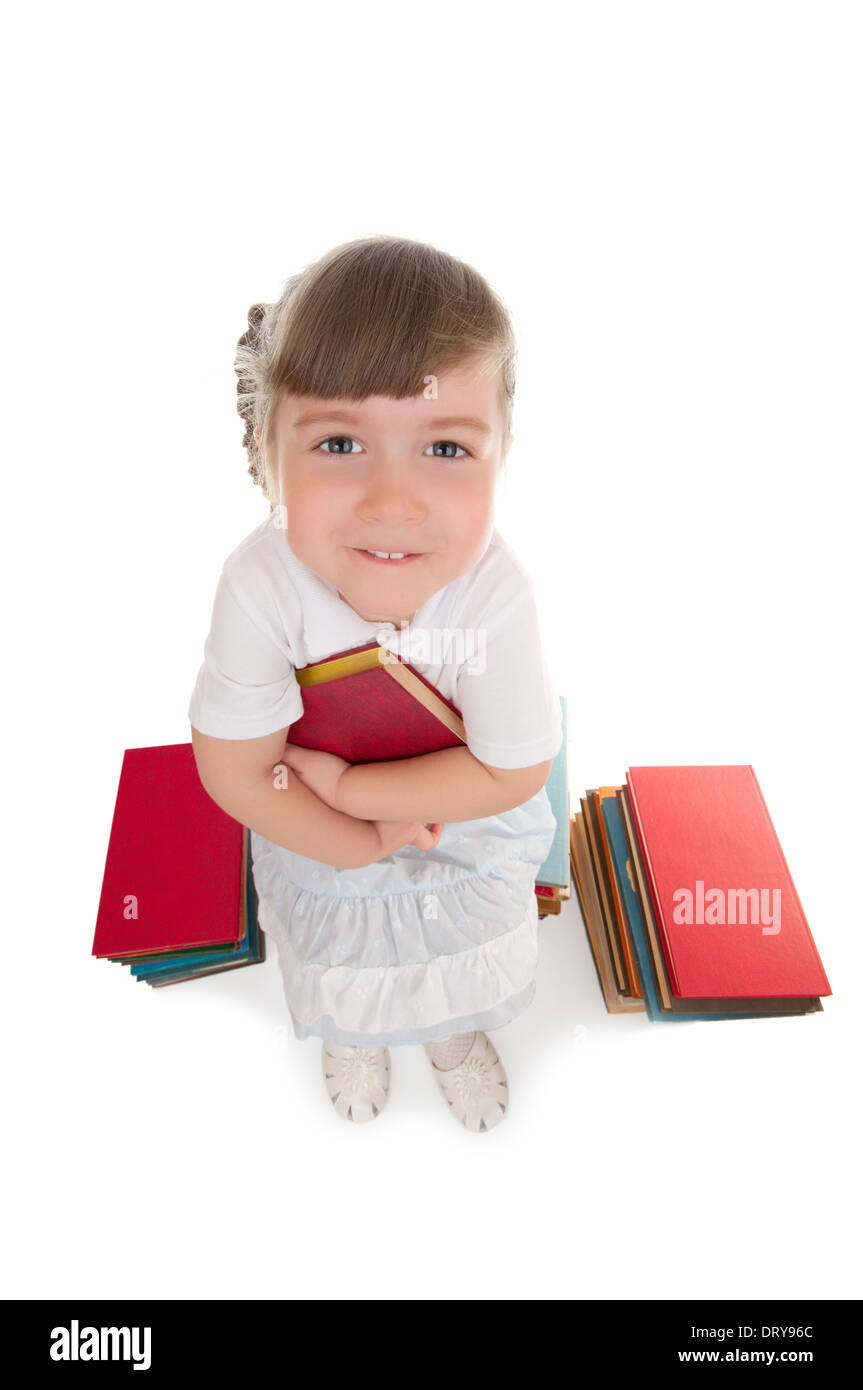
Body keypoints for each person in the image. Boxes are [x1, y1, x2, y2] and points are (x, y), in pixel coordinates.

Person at [188, 235, 562, 1133]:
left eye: (444, 449)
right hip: (310, 823)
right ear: (265, 450)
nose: (392, 501)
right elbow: (236, 773)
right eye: (341, 441)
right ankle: (354, 1026)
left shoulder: (495, 591)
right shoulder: (260, 583)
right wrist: (353, 836)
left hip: (453, 814)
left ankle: (449, 1030)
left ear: (502, 453)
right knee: (340, 942)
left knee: (456, 938)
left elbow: (511, 772)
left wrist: (364, 790)